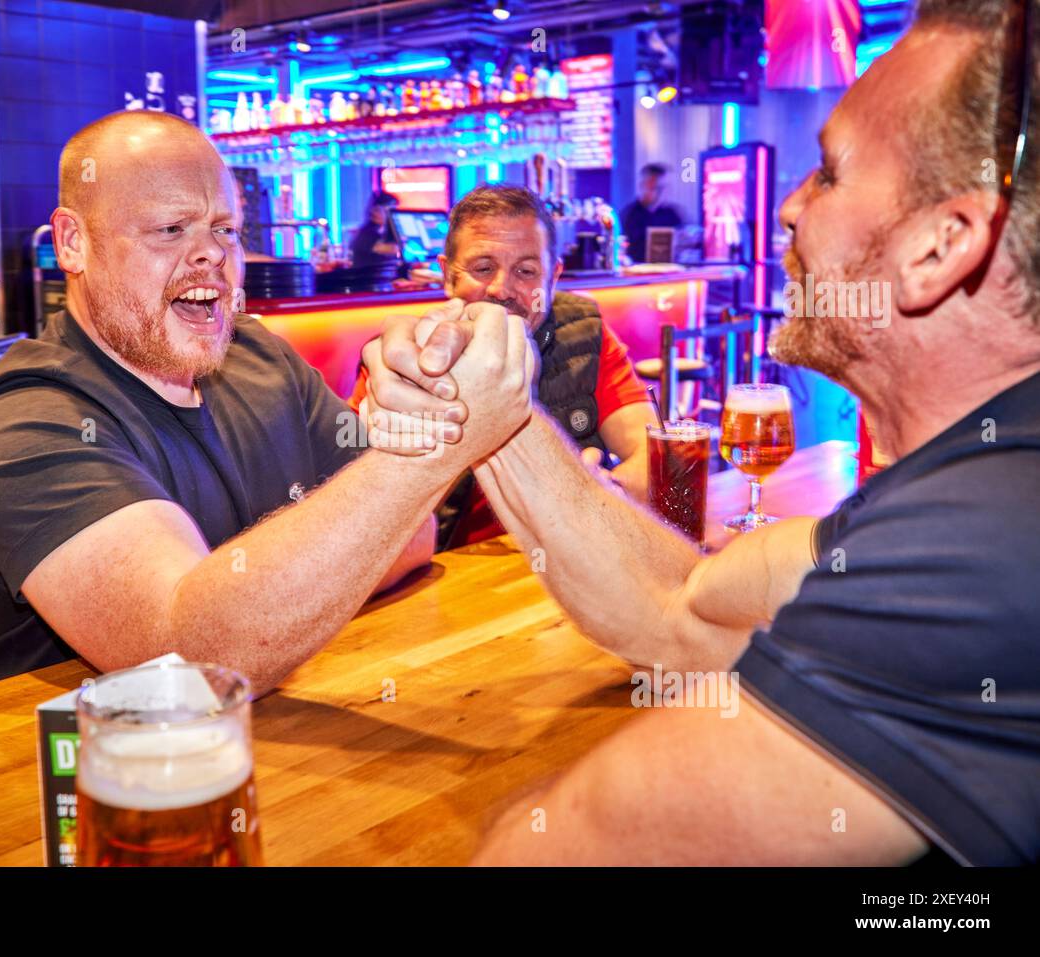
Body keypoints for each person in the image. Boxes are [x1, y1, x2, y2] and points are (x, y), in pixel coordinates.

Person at [361, 0, 1040, 865]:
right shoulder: (977, 480)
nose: (789, 208)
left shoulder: (981, 552)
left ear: (941, 248)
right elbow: (677, 611)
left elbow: (550, 853)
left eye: (827, 174)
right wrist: (492, 404)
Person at [0, 111, 536, 701]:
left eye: (226, 230)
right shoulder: (28, 423)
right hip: (28, 785)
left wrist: (256, 606)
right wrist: (421, 459)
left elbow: (410, 537)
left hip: (252, 748)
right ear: (73, 243)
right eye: (170, 229)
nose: (212, 254)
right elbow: (187, 663)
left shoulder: (261, 358)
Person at [349, 185, 656, 549]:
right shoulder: (399, 362)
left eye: (525, 271)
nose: (501, 288)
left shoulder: (585, 335)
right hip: (448, 578)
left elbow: (652, 456)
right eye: (483, 267)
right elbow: (359, 521)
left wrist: (603, 493)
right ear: (448, 276)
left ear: (553, 277)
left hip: (569, 564)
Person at [620, 163, 683, 263]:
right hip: (638, 274)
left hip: (668, 273)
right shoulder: (630, 215)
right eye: (655, 188)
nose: (660, 193)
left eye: (663, 188)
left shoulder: (672, 214)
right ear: (642, 186)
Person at [349, 191, 401, 269]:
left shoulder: (383, 232)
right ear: (375, 211)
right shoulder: (366, 233)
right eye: (389, 210)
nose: (393, 214)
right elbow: (391, 249)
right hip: (369, 279)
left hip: (384, 279)